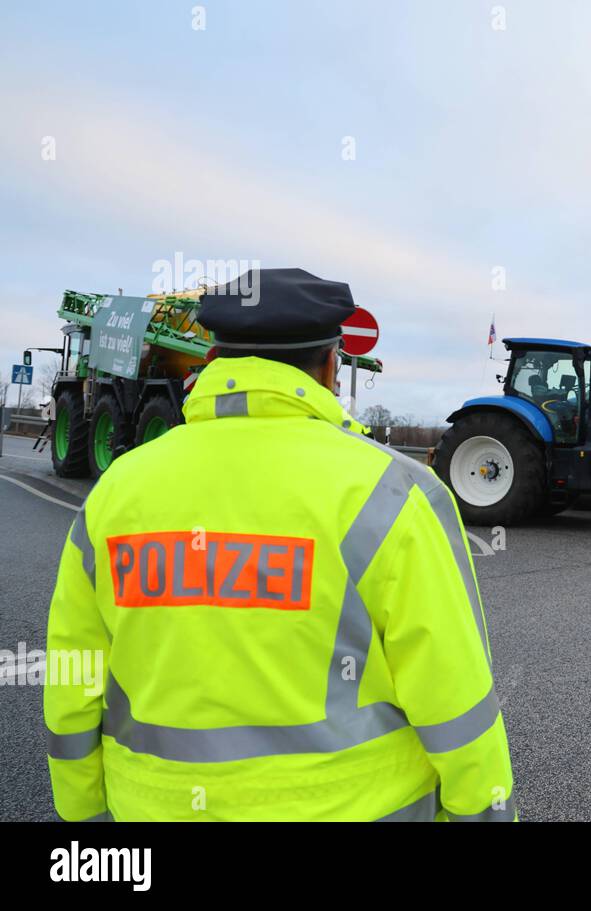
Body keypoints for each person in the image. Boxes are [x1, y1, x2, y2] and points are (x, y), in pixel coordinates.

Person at [44, 268, 515, 821]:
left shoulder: (118, 490)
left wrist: (82, 814)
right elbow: (452, 689)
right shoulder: (393, 493)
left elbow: (74, 672)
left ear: (215, 359)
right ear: (332, 365)